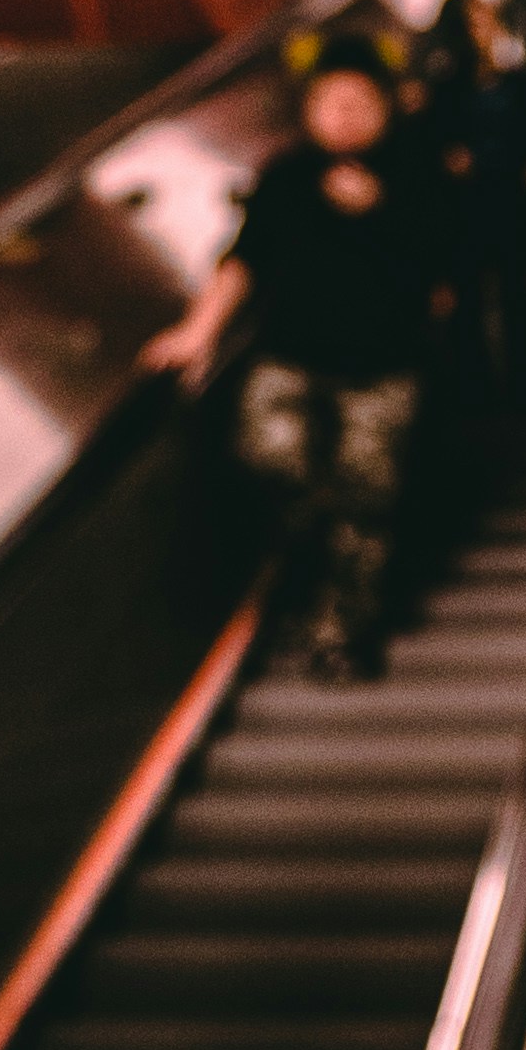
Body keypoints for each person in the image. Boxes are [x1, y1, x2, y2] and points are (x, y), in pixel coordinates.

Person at [145, 40, 457, 678]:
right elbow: (242, 261)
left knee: (365, 496)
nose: (342, 115)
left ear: (386, 109)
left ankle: (344, 628)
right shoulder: (284, 177)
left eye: (358, 102)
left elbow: (448, 272)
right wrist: (198, 331)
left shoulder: (419, 173)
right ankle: (306, 560)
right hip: (291, 361)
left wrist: (384, 215)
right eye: (328, 102)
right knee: (273, 458)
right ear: (308, 110)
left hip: (382, 371)